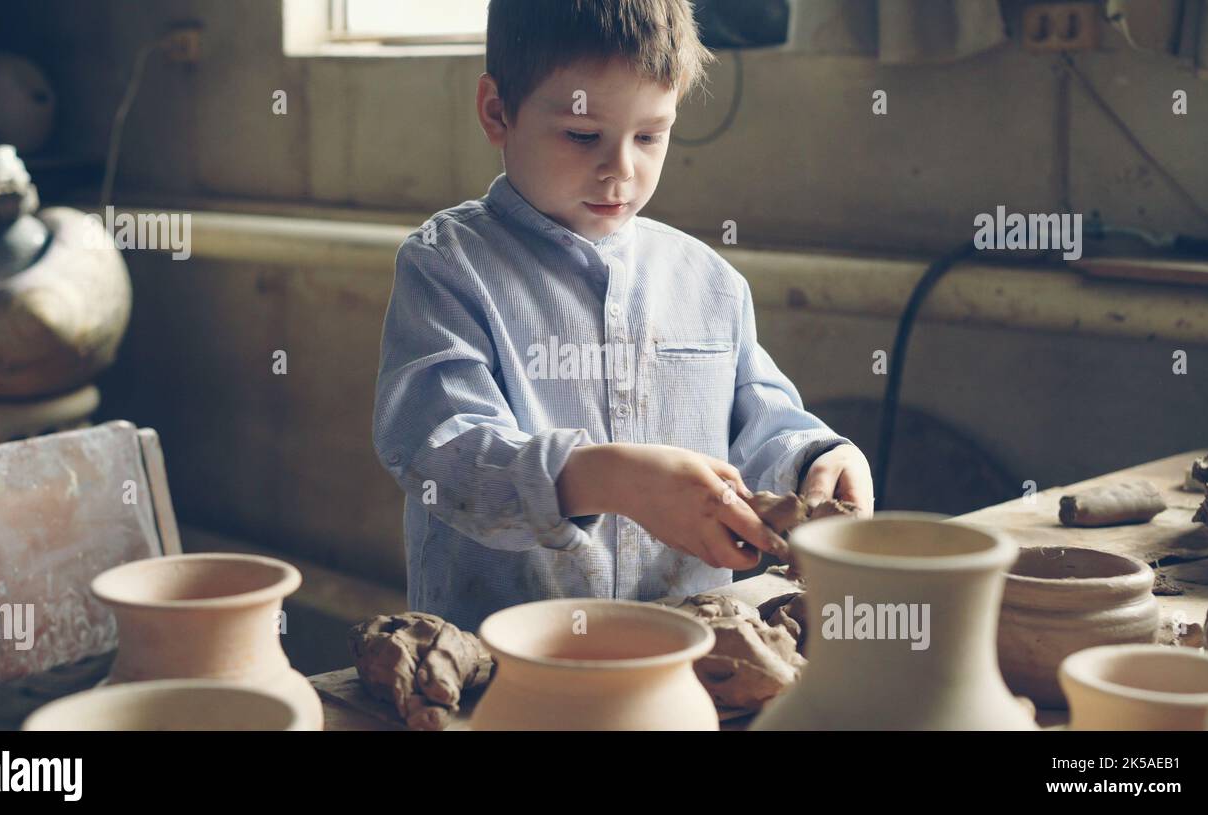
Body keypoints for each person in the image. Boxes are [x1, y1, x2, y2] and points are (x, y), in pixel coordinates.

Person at [374, 0, 873, 630]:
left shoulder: (710, 282)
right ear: (497, 112)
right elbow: (440, 453)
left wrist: (816, 461)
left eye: (650, 136)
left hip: (691, 656)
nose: (621, 169)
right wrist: (605, 479)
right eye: (583, 135)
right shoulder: (449, 265)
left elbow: (764, 420)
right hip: (503, 671)